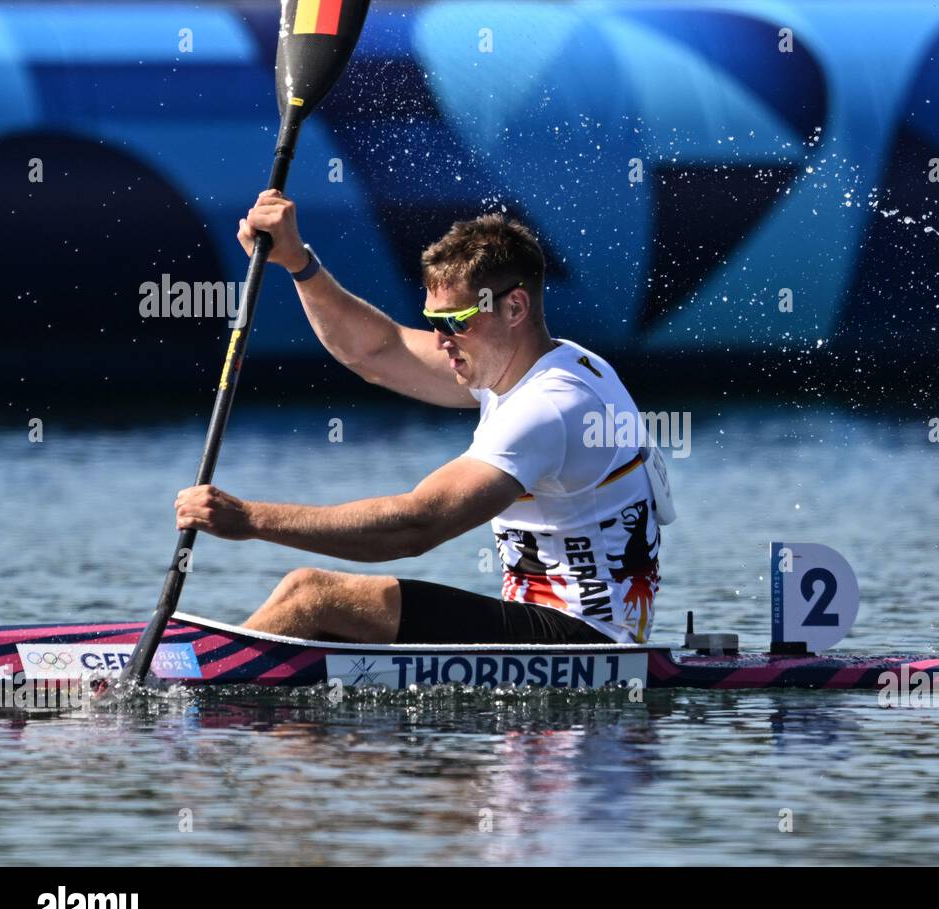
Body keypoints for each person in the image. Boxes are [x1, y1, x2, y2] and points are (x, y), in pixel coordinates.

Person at [173, 190, 667, 644]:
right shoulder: (537, 365)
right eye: (434, 322)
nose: (440, 340)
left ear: (514, 307)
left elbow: (416, 527)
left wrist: (251, 519)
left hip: (586, 644)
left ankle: (185, 687)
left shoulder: (550, 406)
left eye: (454, 322)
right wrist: (299, 264)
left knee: (310, 595)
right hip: (555, 633)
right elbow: (378, 351)